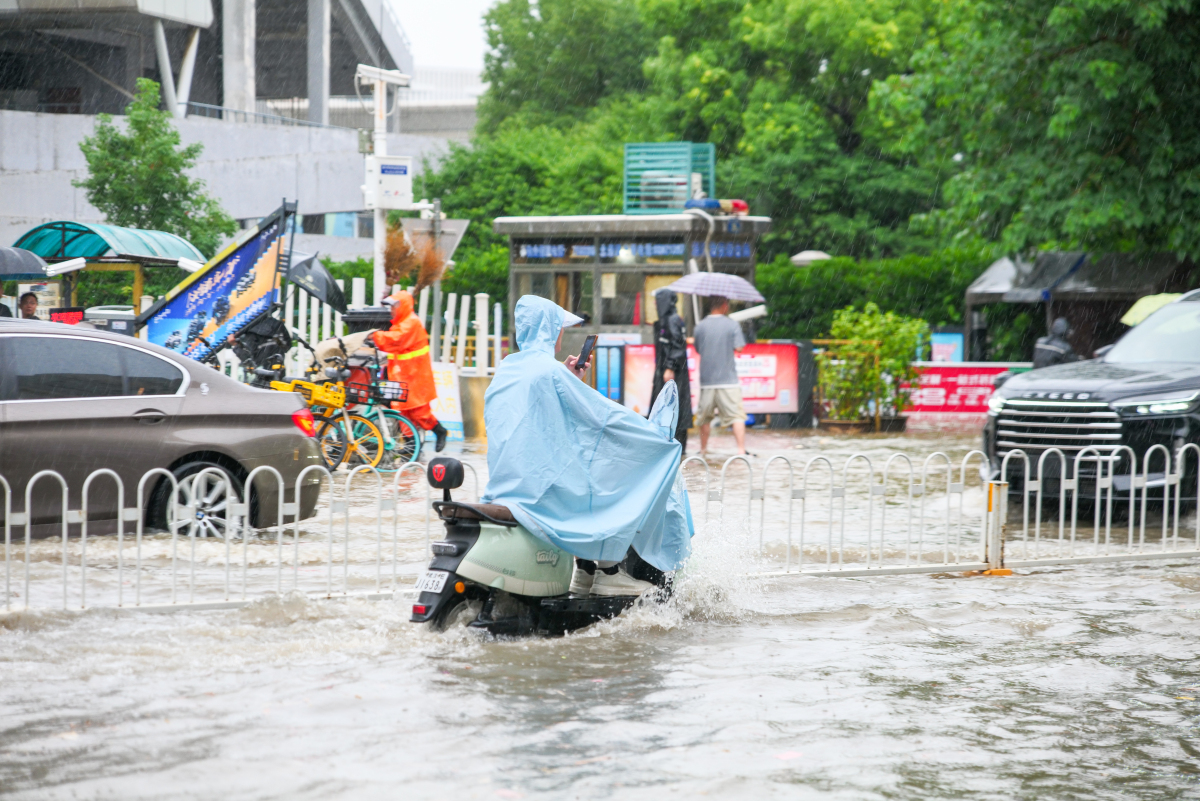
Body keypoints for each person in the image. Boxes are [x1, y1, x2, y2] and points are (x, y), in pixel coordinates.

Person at [480, 295, 694, 597]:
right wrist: (651, 434)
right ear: (551, 330)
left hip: (507, 483)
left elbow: (531, 420)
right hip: (538, 488)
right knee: (610, 481)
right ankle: (607, 572)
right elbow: (604, 417)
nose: (562, 334)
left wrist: (570, 379)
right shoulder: (549, 372)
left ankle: (585, 570)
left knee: (585, 476)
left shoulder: (508, 369)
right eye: (560, 328)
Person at [368, 290, 449, 452]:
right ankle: (411, 444)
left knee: (419, 411)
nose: (391, 310)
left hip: (416, 375)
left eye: (394, 306)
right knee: (402, 411)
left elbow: (395, 339)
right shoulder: (400, 323)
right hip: (403, 374)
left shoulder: (411, 323)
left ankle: (439, 431)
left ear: (402, 306)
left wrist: (375, 336)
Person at [694, 296, 748, 456]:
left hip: (707, 380)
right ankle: (741, 450)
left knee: (704, 417)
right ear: (724, 305)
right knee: (737, 416)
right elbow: (739, 347)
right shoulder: (732, 324)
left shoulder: (700, 326)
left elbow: (698, 348)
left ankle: (703, 450)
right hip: (728, 380)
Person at [651, 288, 691, 452]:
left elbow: (677, 346)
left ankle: (676, 447)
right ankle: (669, 445)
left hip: (673, 373)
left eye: (657, 300)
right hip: (667, 371)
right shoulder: (667, 319)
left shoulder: (672, 319)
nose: (654, 304)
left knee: (674, 407)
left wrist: (669, 367)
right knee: (668, 407)